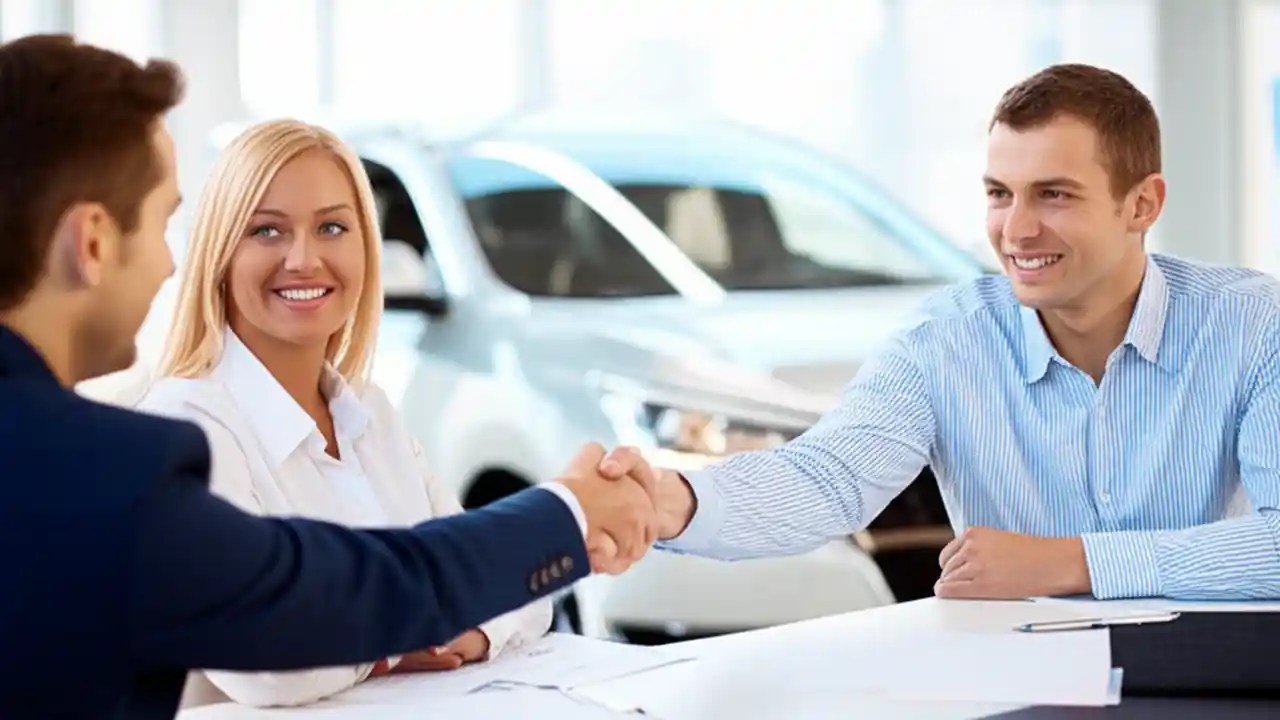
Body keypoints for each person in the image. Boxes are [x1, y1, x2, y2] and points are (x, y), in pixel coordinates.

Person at [0, 35, 657, 720]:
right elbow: (303, 613)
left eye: (334, 229)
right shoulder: (112, 466)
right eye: (164, 223)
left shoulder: (366, 410)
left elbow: (397, 581)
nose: (171, 265)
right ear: (94, 242)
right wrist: (568, 514)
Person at [621, 63, 1280, 602]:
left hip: (1206, 679)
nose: (1016, 231)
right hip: (1013, 679)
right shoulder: (943, 343)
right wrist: (668, 501)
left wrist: (1071, 563)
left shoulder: (1251, 326)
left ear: (1142, 204)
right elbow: (825, 481)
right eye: (1000, 193)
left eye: (1054, 195)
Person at [135, 119, 553, 708]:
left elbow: (514, 585)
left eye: (332, 227)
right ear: (220, 254)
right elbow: (259, 653)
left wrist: (477, 631)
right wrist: (401, 634)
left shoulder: (370, 414)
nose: (303, 259)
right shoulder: (187, 426)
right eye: (267, 231)